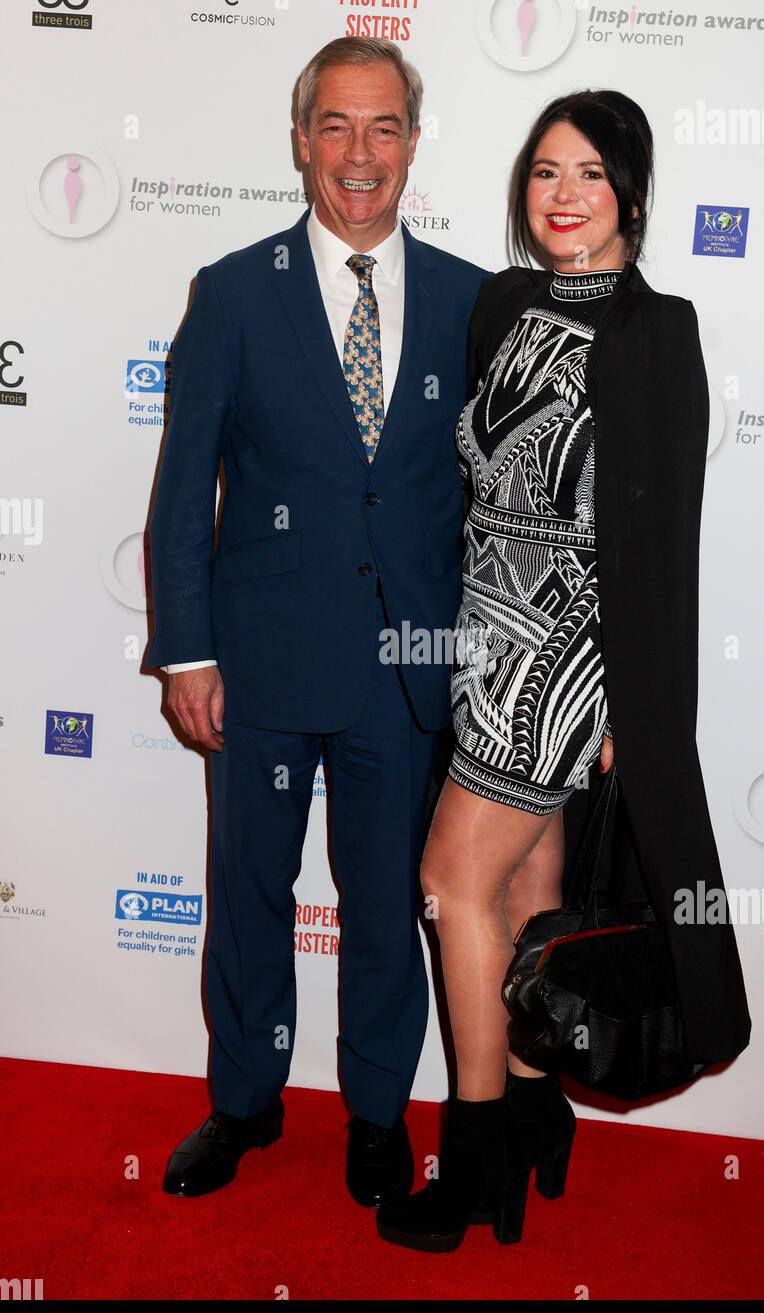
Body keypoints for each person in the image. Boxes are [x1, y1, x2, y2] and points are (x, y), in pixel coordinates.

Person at [377, 90, 752, 1253]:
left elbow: (658, 547)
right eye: (544, 172)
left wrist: (627, 711)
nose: (562, 196)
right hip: (481, 635)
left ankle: (474, 1159)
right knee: (527, 891)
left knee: (449, 883)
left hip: (566, 658)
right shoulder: (503, 304)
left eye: (588, 174)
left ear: (630, 193)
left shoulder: (659, 334)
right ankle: (540, 1118)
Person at [144, 37, 488, 1203]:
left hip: (407, 665)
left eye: (382, 127)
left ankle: (379, 1113)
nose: (357, 154)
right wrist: (186, 647)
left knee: (389, 902)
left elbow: (492, 501)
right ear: (299, 140)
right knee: (248, 892)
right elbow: (186, 487)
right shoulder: (233, 292)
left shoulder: (468, 301)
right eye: (334, 126)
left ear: (411, 144)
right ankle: (242, 1104)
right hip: (258, 662)